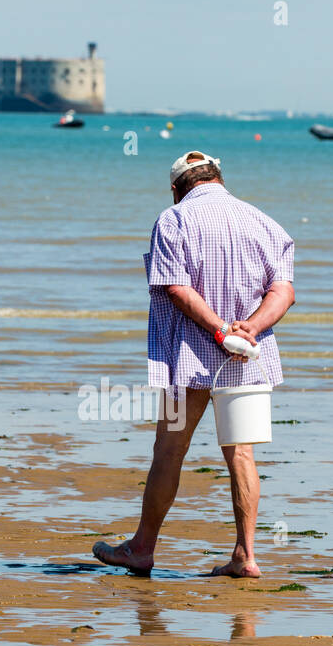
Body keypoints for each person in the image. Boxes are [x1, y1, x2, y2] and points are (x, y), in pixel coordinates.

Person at [93, 150, 294, 578]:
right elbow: (284, 291)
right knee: (241, 453)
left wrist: (221, 331)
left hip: (188, 357)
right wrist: (249, 329)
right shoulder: (263, 221)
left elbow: (178, 290)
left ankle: (142, 550)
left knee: (169, 449)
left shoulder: (174, 220)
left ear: (175, 189)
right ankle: (246, 556)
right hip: (250, 356)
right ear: (219, 179)